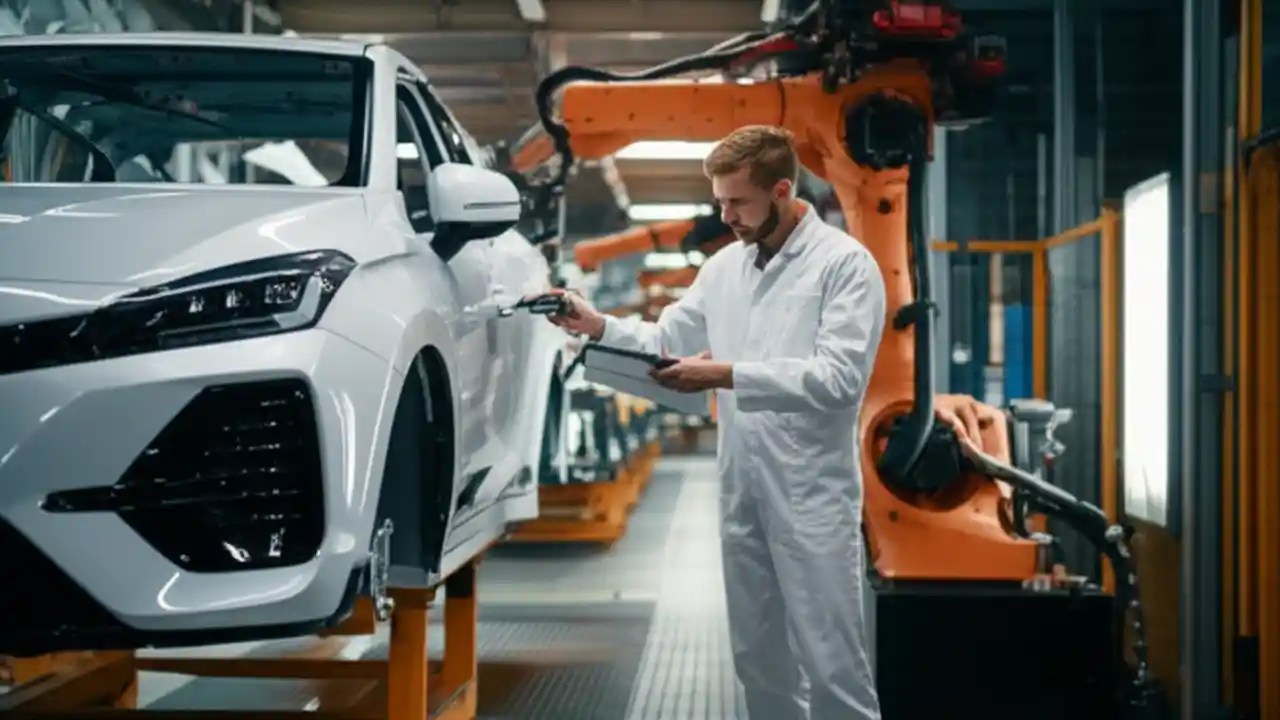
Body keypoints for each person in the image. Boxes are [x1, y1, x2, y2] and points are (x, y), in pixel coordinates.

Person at [547, 125, 885, 720]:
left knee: (833, 664)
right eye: (719, 201)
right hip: (742, 489)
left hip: (811, 497)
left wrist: (725, 374)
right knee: (759, 662)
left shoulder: (844, 266)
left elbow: (837, 381)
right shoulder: (726, 267)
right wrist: (596, 325)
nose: (725, 215)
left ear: (781, 191)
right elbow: (666, 337)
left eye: (737, 202)